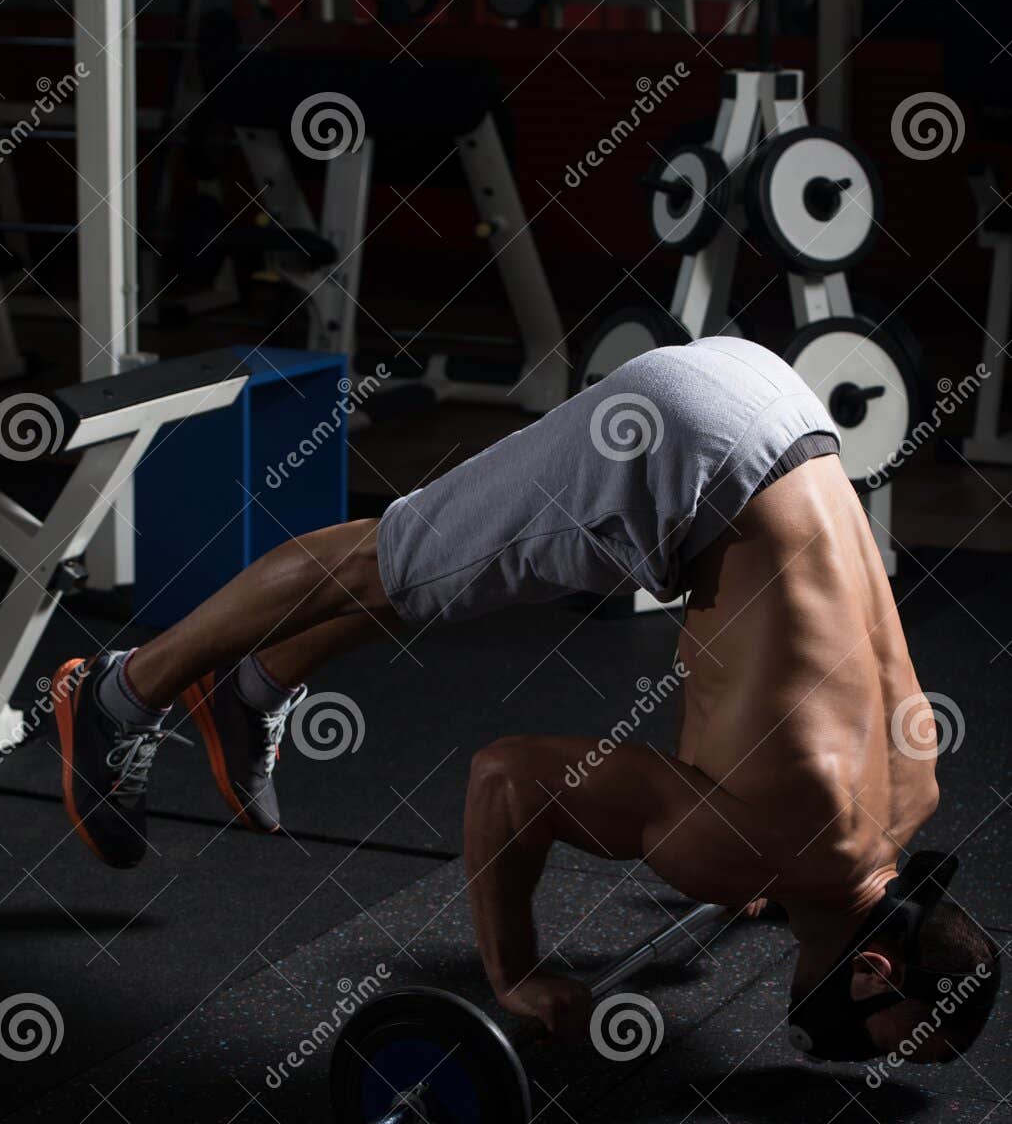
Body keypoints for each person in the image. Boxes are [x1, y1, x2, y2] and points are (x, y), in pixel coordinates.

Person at [52, 336, 1000, 1063]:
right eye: (900, 1040)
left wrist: (765, 873)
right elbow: (509, 779)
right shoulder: (758, 847)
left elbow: (772, 743)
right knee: (386, 561)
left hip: (769, 404)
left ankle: (253, 686)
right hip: (683, 454)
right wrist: (516, 973)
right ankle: (120, 692)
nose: (879, 1058)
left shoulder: (909, 797)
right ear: (872, 971)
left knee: (436, 573)